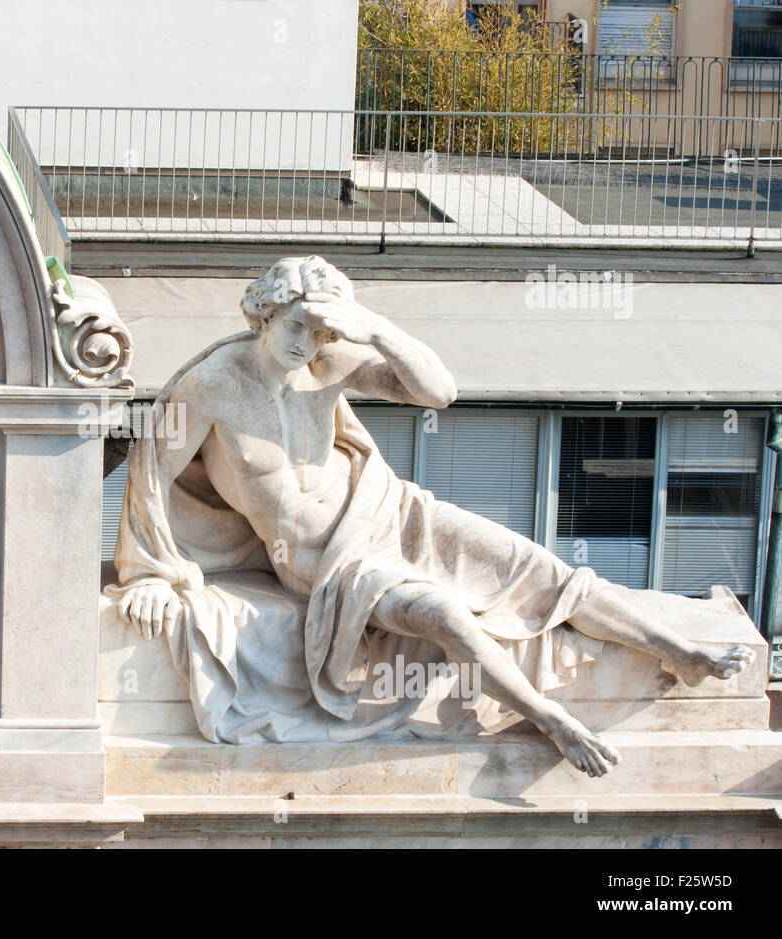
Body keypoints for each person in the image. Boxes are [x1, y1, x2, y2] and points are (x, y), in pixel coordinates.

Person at [108, 256, 753, 776]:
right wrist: (151, 577)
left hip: (387, 509)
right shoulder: (212, 385)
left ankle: (681, 651)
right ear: (265, 314)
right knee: (442, 614)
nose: (309, 342)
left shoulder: (331, 358)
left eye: (322, 329)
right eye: (297, 325)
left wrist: (374, 329)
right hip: (338, 570)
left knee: (539, 568)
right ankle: (552, 718)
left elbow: (438, 391)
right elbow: (149, 478)